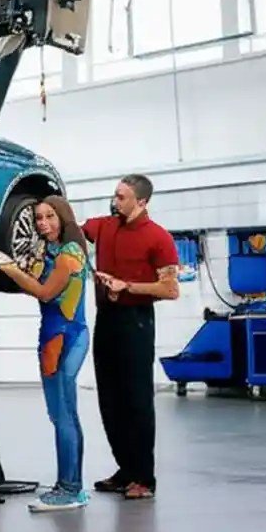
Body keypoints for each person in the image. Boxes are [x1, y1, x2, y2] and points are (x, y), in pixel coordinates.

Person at [0, 195, 91, 513]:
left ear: (63, 218)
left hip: (66, 339)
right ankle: (70, 486)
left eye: (49, 217)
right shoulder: (50, 251)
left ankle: (70, 489)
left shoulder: (70, 254)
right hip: (53, 339)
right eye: (39, 218)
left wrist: (4, 263)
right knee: (62, 415)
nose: (43, 223)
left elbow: (43, 291)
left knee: (64, 416)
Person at [82, 174, 179, 501]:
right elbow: (72, 228)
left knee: (136, 400)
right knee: (110, 400)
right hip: (106, 320)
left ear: (142, 202)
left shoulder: (159, 238)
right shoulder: (105, 227)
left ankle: (144, 478)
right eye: (115, 195)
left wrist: (128, 286)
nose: (115, 201)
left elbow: (170, 289)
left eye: (122, 197)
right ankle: (125, 469)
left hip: (136, 321)